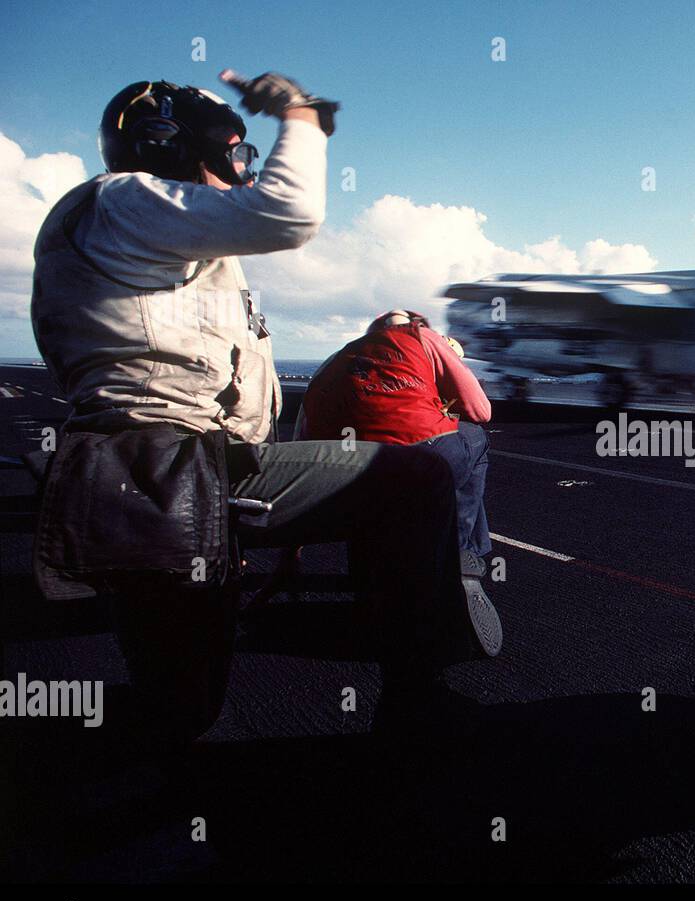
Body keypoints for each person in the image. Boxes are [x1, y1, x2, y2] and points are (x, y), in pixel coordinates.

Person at [30, 73, 492, 745]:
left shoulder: (146, 240)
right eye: (233, 155)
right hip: (170, 470)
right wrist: (300, 117)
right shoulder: (125, 199)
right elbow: (289, 214)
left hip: (179, 476)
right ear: (173, 150)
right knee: (415, 479)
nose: (241, 173)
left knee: (182, 707)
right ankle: (416, 703)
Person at [298, 310, 500, 651]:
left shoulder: (333, 361)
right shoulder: (421, 337)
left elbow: (300, 445)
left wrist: (292, 552)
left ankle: (368, 594)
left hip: (343, 475)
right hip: (424, 455)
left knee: (369, 504)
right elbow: (481, 410)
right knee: (475, 438)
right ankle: (463, 555)